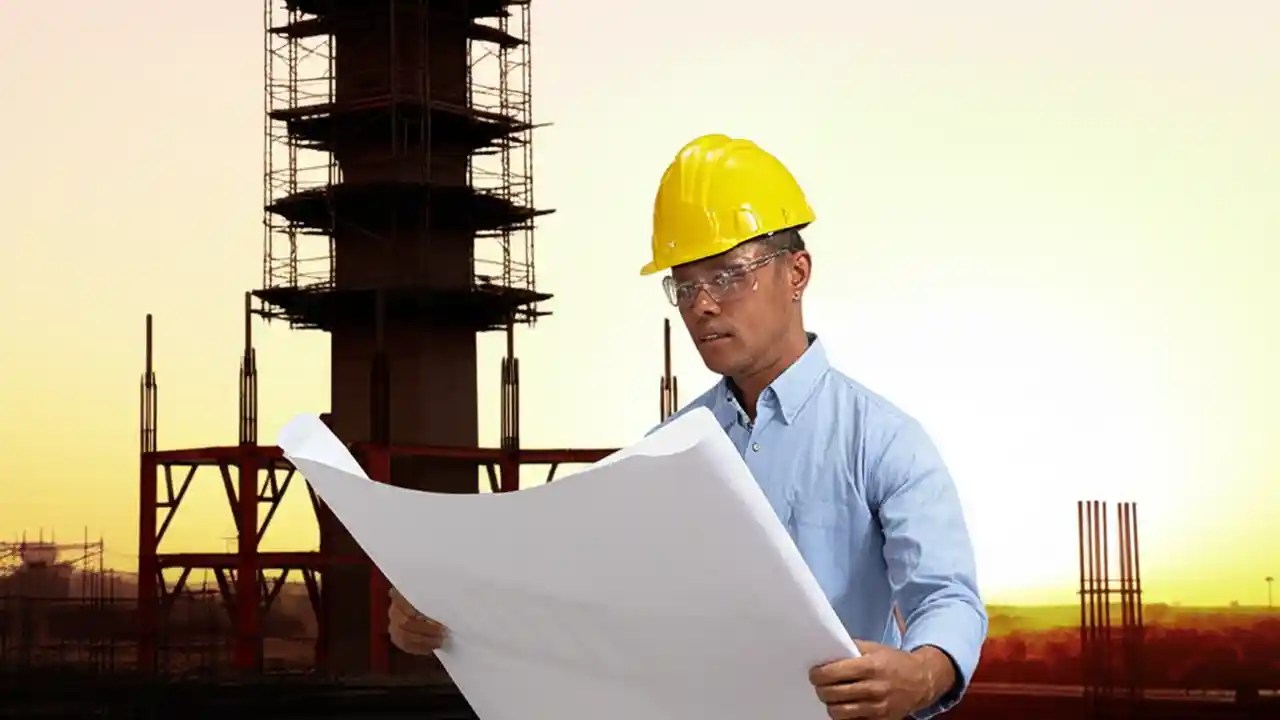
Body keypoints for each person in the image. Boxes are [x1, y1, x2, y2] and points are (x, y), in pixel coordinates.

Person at [389, 133, 988, 719]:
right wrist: (449, 612)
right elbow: (585, 595)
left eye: (728, 275)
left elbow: (946, 597)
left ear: (797, 272)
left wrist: (926, 672)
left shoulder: (882, 442)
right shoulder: (666, 450)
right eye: (686, 285)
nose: (702, 305)